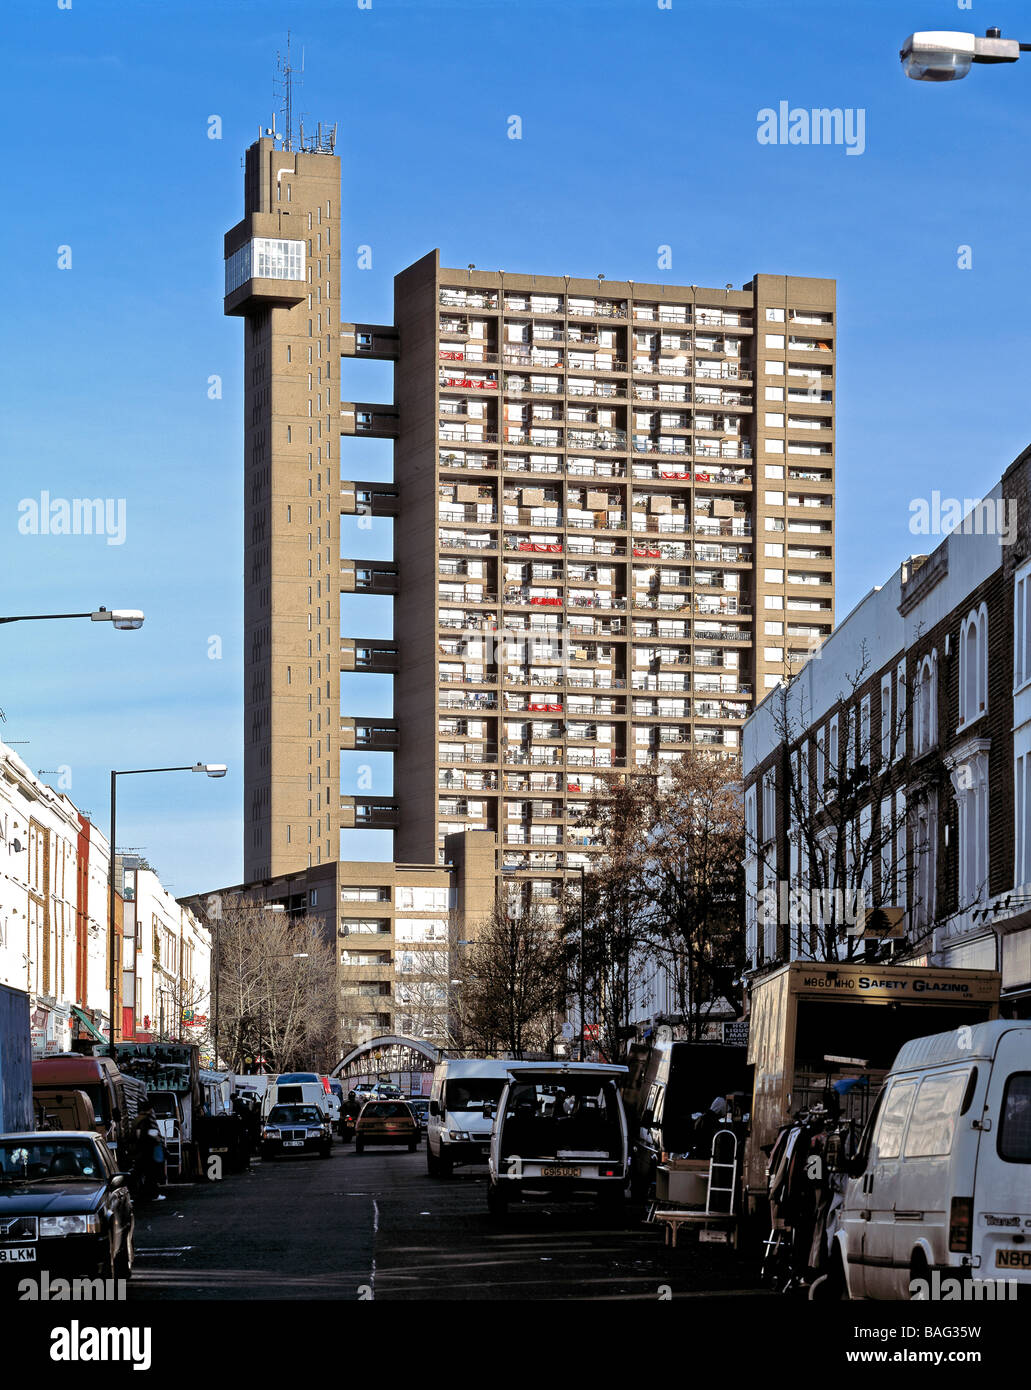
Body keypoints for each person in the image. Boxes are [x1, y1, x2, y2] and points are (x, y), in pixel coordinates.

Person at [131, 1103, 166, 1202]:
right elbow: (150, 1134)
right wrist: (157, 1140)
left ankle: (134, 1195)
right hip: (147, 1152)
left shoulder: (136, 1120)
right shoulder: (146, 1120)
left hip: (137, 1151)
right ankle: (153, 1195)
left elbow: (135, 1135)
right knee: (151, 1175)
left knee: (138, 1174)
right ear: (149, 1110)